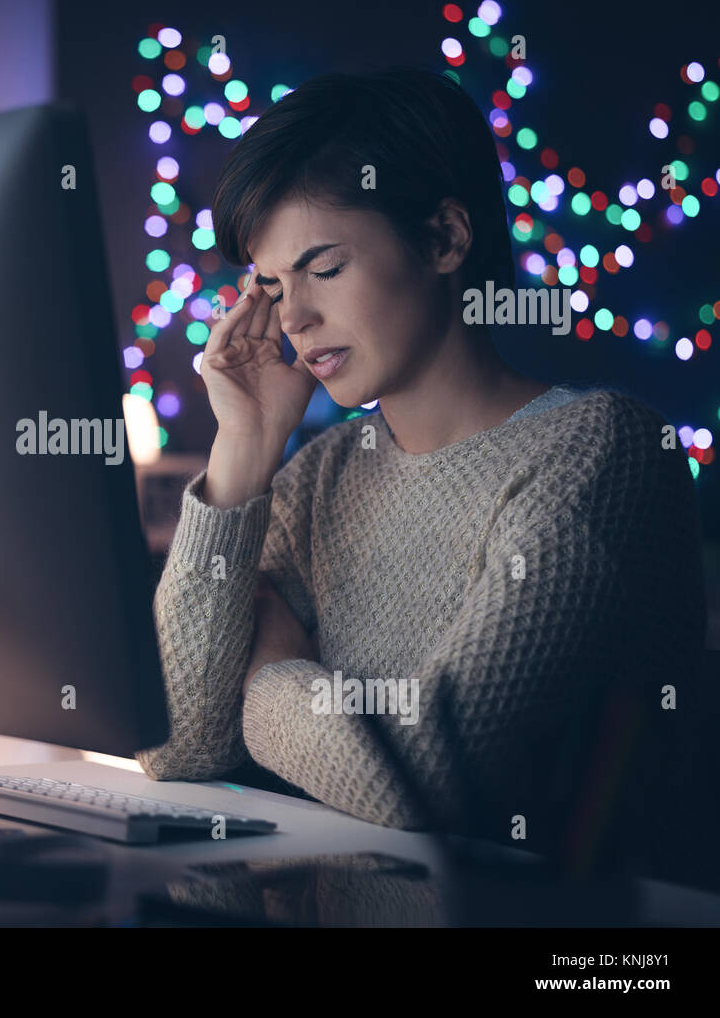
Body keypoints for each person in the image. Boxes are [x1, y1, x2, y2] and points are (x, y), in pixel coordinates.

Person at [134, 66, 711, 885]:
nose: (294, 317)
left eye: (323, 267)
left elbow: (428, 777)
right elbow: (174, 742)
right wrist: (243, 452)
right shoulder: (325, 472)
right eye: (271, 285)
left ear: (444, 238)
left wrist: (263, 674)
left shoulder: (603, 452)